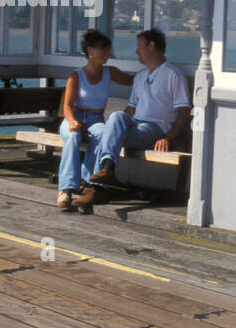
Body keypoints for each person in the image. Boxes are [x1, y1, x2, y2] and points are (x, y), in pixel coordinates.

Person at [80, 29, 190, 206]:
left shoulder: (173, 75)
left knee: (104, 135)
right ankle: (106, 169)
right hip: (135, 124)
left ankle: (95, 186)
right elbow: (130, 109)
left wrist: (168, 138)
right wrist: (114, 126)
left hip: (155, 128)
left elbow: (184, 112)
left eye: (139, 47)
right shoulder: (141, 76)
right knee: (115, 117)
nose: (136, 51)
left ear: (152, 46)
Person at [56, 29, 133, 211]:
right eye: (102, 50)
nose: (106, 55)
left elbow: (133, 80)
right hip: (73, 116)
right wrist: (73, 122)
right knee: (73, 137)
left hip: (95, 119)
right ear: (90, 51)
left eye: (108, 50)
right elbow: (67, 106)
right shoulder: (76, 76)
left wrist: (153, 73)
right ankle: (65, 189)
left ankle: (88, 180)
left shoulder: (110, 72)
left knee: (103, 135)